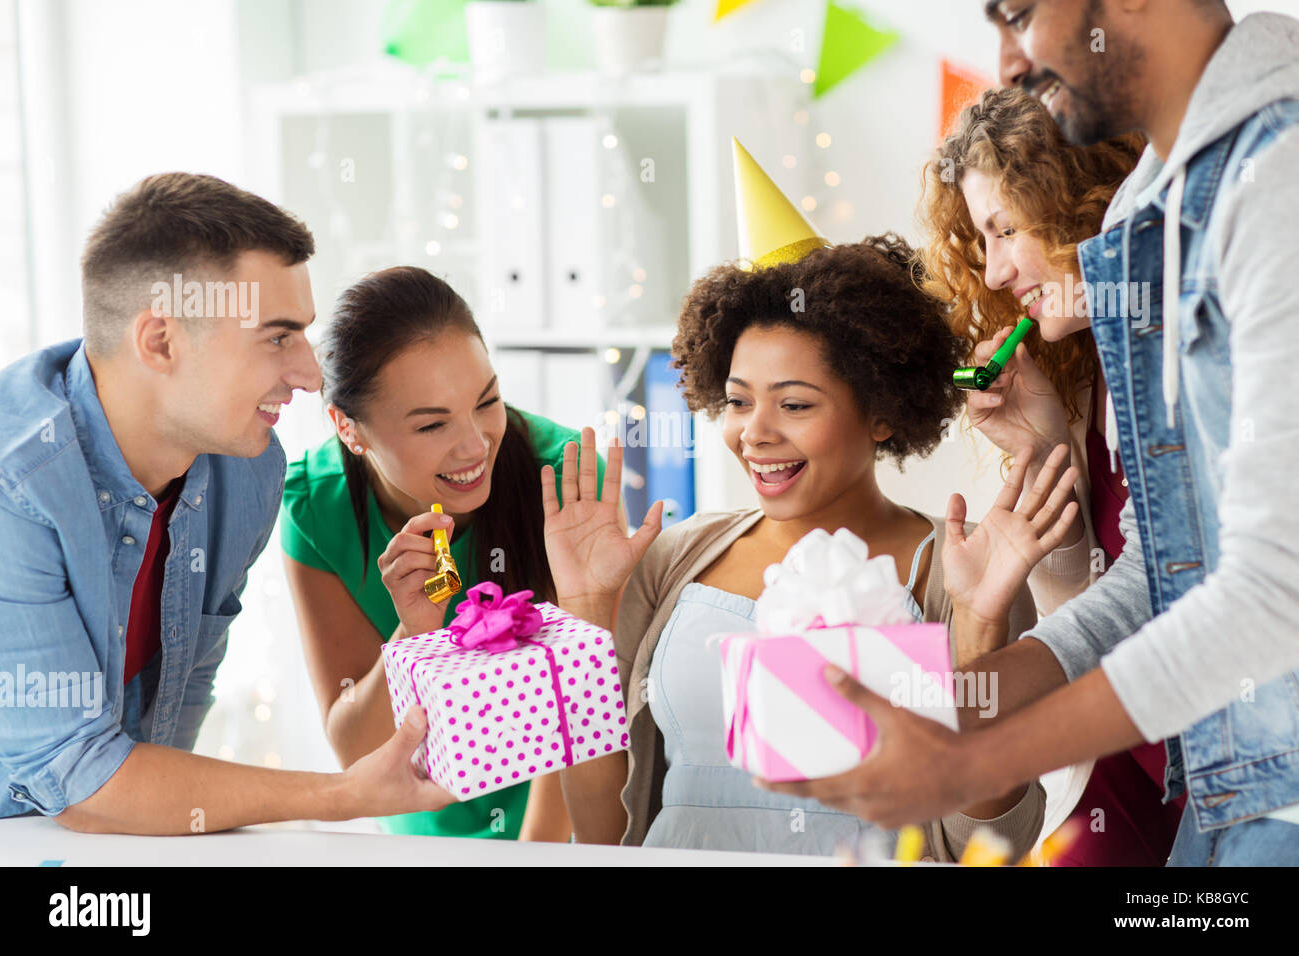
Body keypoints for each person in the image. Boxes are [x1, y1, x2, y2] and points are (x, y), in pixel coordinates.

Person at [765, 2, 1299, 865]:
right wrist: (955, 696)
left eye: (1019, 15)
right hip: (1230, 781)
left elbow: (1272, 593)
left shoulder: (1275, 180)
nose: (1009, 63)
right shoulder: (1153, 212)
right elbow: (1159, 581)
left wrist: (970, 754)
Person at [544, 197, 1081, 856]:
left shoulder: (963, 567)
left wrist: (976, 627)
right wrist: (589, 608)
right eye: (738, 401)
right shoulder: (674, 559)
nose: (755, 434)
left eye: (794, 404)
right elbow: (603, 835)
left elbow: (991, 841)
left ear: (881, 412)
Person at [0, 173, 452, 834]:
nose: (310, 372)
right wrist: (346, 794)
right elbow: (82, 781)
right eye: (277, 337)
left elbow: (166, 726)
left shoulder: (246, 474)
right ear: (160, 341)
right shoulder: (20, 484)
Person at [918, 86, 1181, 865]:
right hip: (1131, 762)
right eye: (981, 240)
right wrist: (1046, 449)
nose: (995, 272)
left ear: (1082, 202)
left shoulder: (1180, 349)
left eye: (1005, 230)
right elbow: (1094, 596)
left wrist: (981, 692)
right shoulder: (1091, 372)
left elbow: (1159, 585)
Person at [279, 266, 595, 841]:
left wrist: (536, 857)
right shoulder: (314, 503)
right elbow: (357, 749)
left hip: (560, 828)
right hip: (421, 826)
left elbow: (581, 713)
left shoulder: (567, 476)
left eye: (487, 401)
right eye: (431, 425)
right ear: (349, 429)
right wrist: (412, 629)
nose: (475, 445)